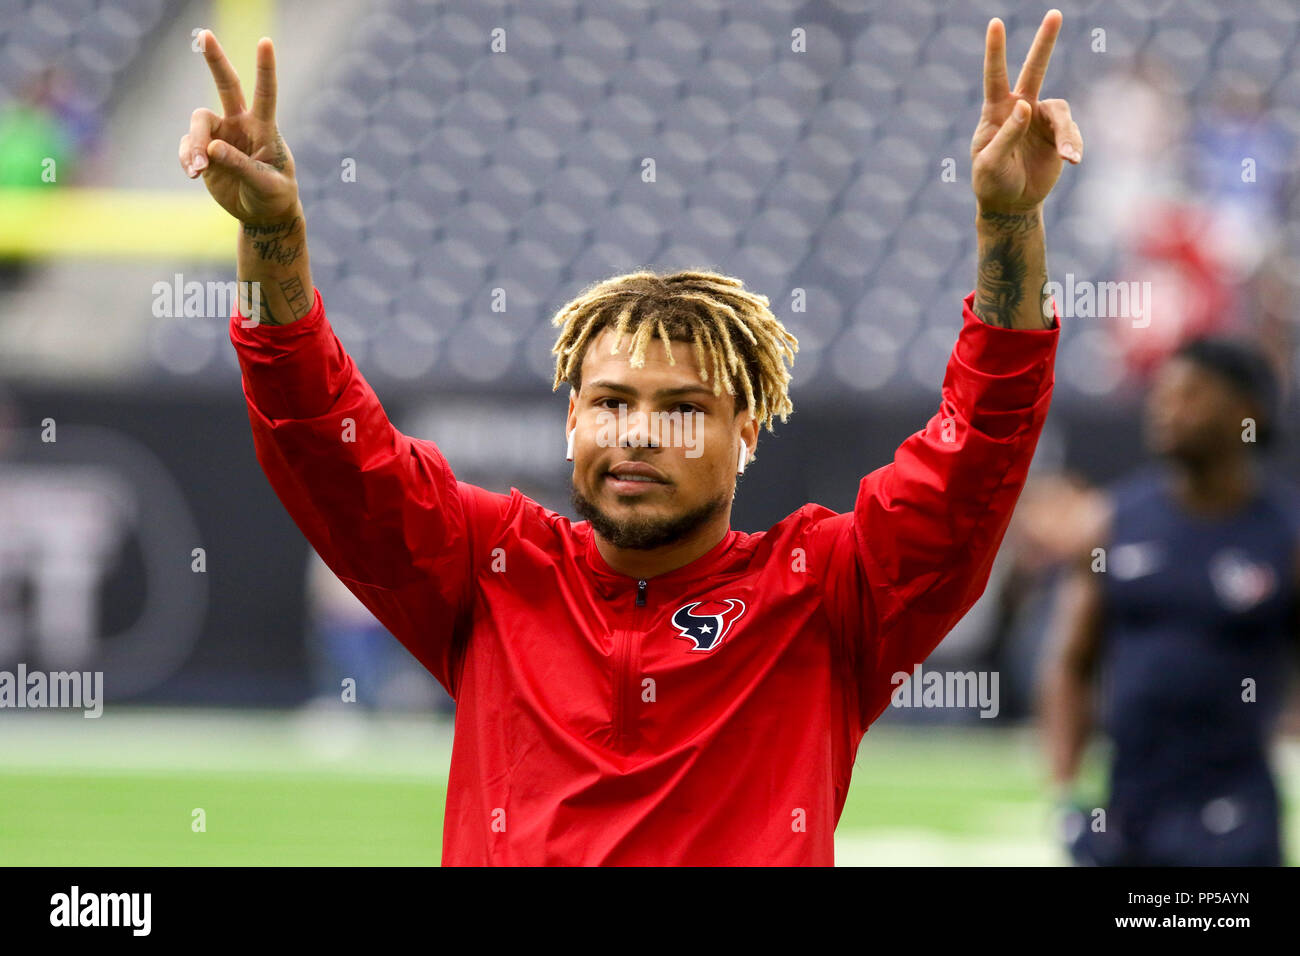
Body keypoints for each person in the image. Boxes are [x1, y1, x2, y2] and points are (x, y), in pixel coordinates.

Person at [179, 11, 1082, 864]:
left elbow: (980, 448)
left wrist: (1008, 222)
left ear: (748, 432)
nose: (638, 433)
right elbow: (320, 441)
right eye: (610, 401)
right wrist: (273, 238)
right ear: (572, 422)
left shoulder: (826, 593)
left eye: (684, 408)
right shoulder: (492, 569)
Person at [1041, 338, 1300, 866]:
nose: (1165, 409)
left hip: (1238, 812)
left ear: (1245, 412)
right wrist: (1065, 793)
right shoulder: (1111, 523)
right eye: (1162, 394)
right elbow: (1070, 663)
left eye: (1191, 395)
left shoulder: (1286, 538)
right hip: (1127, 808)